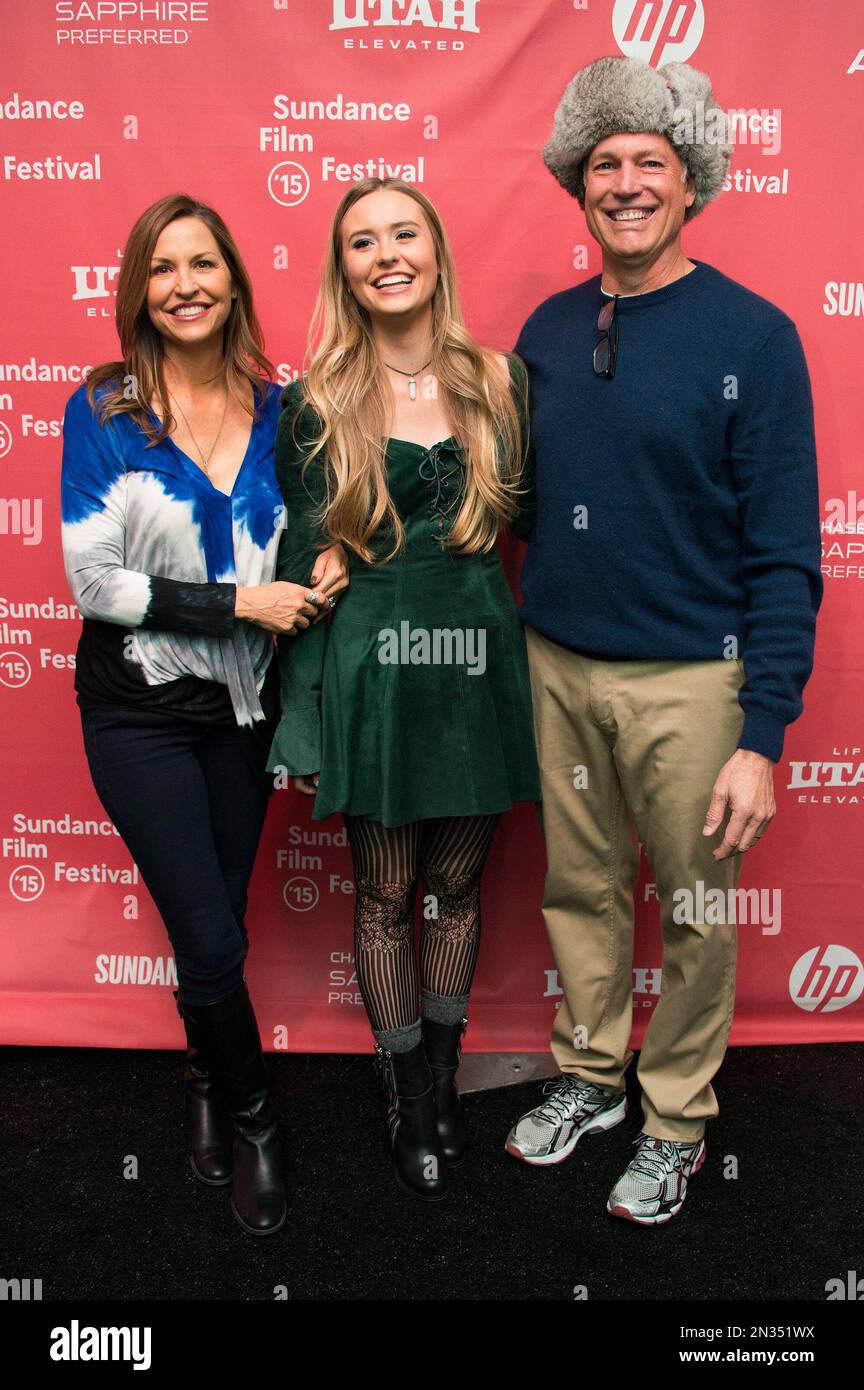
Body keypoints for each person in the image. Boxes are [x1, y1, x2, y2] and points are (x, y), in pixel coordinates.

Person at [504, 57, 823, 1224]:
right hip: (559, 665)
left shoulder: (757, 333)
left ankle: (677, 1116)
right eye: (605, 165)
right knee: (581, 890)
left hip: (697, 676)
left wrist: (762, 733)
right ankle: (589, 1073)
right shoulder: (545, 328)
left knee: (694, 910)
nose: (626, 184)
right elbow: (521, 503)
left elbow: (788, 549)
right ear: (577, 187)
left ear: (691, 183)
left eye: (650, 163)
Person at [60, 192, 348, 1236]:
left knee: (214, 923)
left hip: (245, 710)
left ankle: (201, 1080)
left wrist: (325, 554)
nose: (184, 284)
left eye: (203, 264)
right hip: (137, 713)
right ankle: (258, 1117)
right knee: (205, 928)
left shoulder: (284, 408)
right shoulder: (104, 408)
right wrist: (241, 602)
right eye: (163, 267)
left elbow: (320, 520)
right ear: (139, 288)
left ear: (234, 280)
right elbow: (95, 583)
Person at [265, 176, 540, 1200]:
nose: (386, 254)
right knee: (386, 892)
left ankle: (443, 1073)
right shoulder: (314, 402)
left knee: (456, 888)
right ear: (343, 267)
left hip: (473, 666)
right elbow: (301, 573)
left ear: (436, 251)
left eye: (404, 234)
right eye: (362, 241)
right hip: (373, 671)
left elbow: (548, 524)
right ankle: (407, 1099)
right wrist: (302, 720)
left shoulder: (500, 381)